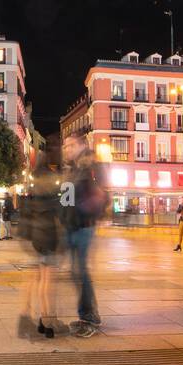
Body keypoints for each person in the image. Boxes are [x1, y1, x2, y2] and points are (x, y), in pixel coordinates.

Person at [61, 132, 106, 336]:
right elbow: (66, 198)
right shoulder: (71, 168)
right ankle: (87, 315)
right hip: (71, 225)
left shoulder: (91, 165)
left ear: (81, 145)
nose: (66, 149)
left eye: (70, 145)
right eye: (65, 146)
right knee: (75, 271)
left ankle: (90, 317)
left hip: (84, 224)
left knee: (80, 271)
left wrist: (87, 212)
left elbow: (103, 194)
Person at [17, 154, 61, 338]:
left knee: (38, 282)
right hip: (50, 239)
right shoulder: (53, 193)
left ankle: (40, 320)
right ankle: (47, 323)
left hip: (36, 241)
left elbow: (24, 218)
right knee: (47, 284)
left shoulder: (32, 191)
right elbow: (61, 217)